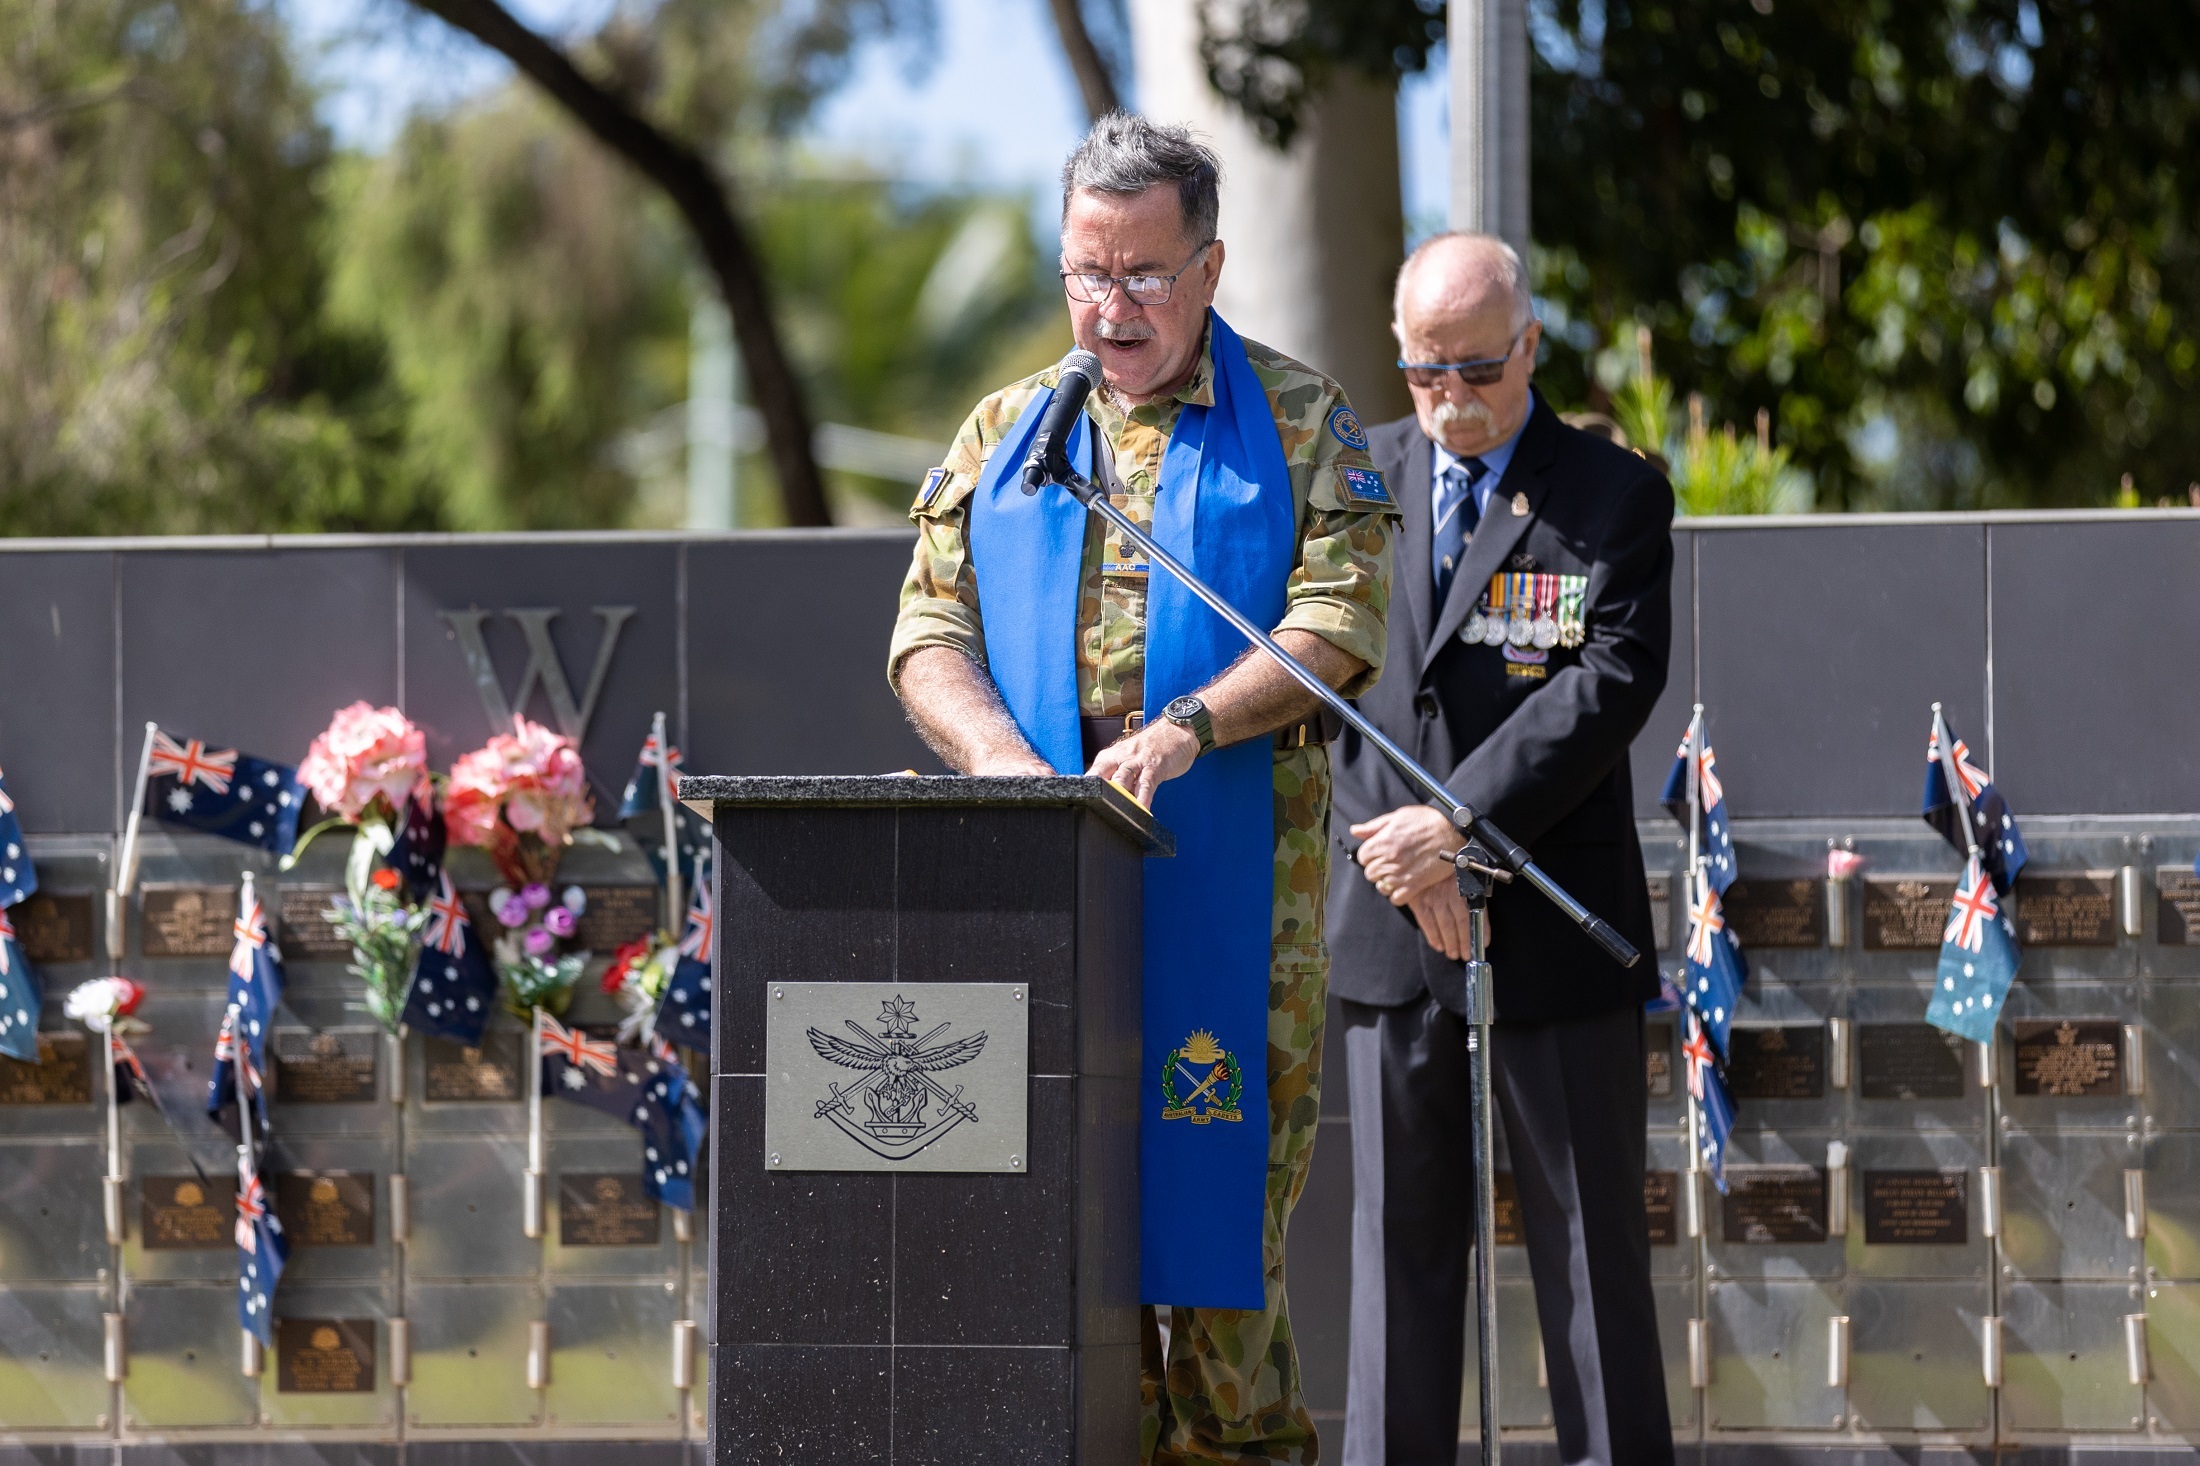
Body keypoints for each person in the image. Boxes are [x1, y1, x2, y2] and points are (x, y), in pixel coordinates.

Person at [888, 112, 1399, 1464]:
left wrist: (1185, 727)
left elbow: (1339, 620)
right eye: (1084, 273)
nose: (1109, 309)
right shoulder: (1008, 431)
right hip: (1047, 897)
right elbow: (927, 633)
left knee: (1217, 1262)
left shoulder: (1299, 420)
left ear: (1211, 266)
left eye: (1142, 277)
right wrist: (1003, 763)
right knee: (1060, 1243)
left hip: (1234, 882)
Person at [1326, 232, 1675, 1466]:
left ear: (1529, 346)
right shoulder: (1353, 481)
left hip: (1549, 913)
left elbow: (1609, 683)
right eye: (1426, 373)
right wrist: (1405, 859)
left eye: (1478, 368)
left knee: (1588, 1259)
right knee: (1396, 1264)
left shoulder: (1610, 493)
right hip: (1387, 920)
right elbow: (1334, 676)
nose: (1451, 400)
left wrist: (1457, 833)